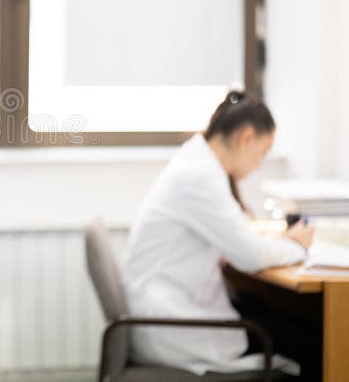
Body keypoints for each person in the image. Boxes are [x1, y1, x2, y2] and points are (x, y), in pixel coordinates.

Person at [120, 91, 316, 377]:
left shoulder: (197, 163)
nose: (259, 163)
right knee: (310, 340)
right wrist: (295, 245)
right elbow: (250, 256)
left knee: (267, 310)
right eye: (263, 152)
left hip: (168, 309)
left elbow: (235, 240)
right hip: (169, 324)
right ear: (246, 138)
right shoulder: (199, 176)